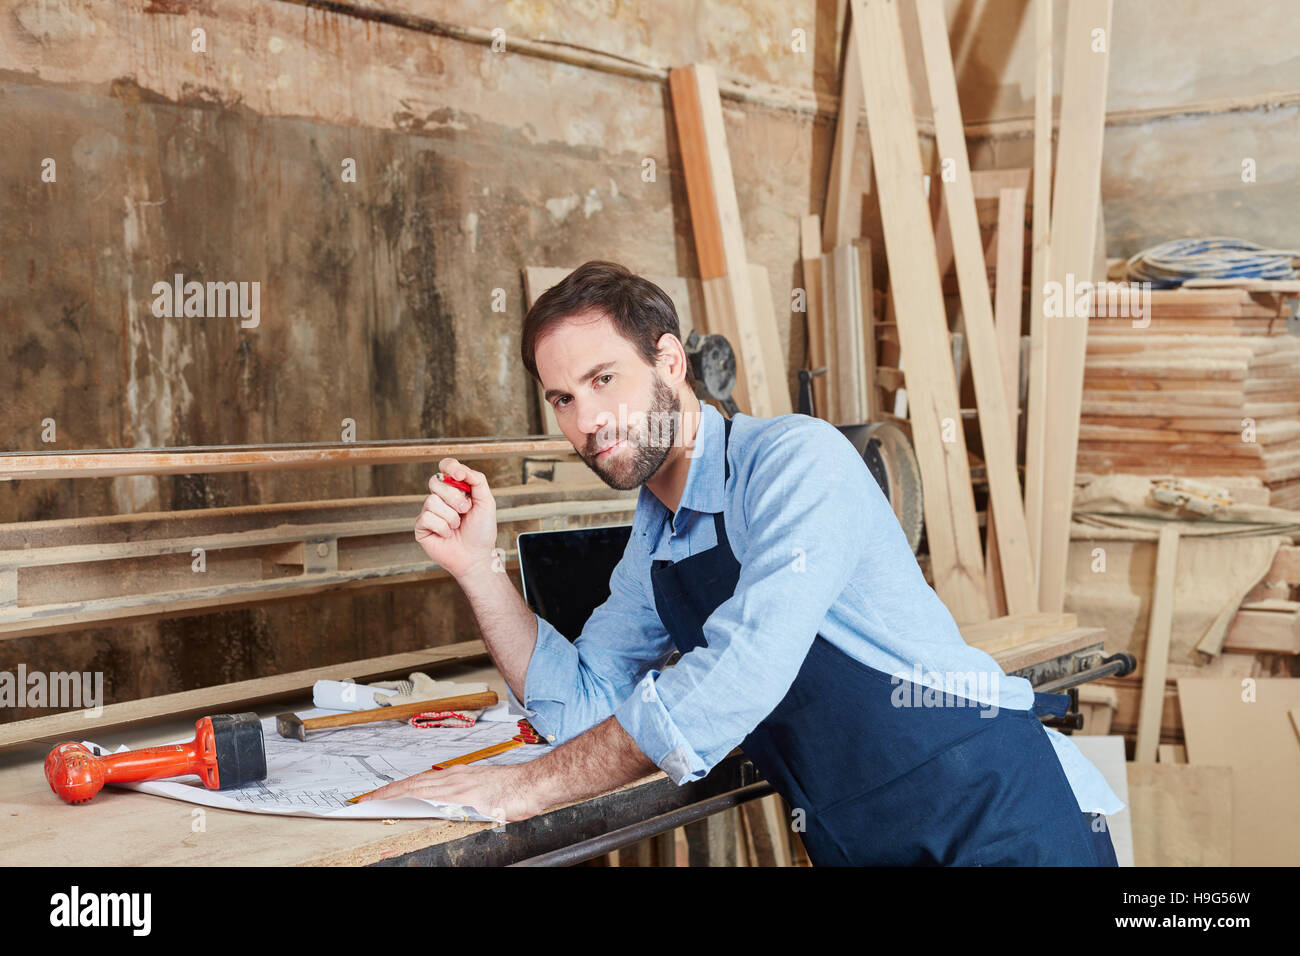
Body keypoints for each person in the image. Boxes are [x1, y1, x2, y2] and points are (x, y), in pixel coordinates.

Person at [359, 261, 1122, 866]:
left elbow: (741, 671)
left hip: (995, 823)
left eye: (603, 380)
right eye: (561, 398)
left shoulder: (795, 462)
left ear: (668, 361)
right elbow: (579, 707)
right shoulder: (655, 541)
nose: (586, 422)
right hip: (863, 839)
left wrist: (522, 789)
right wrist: (476, 569)